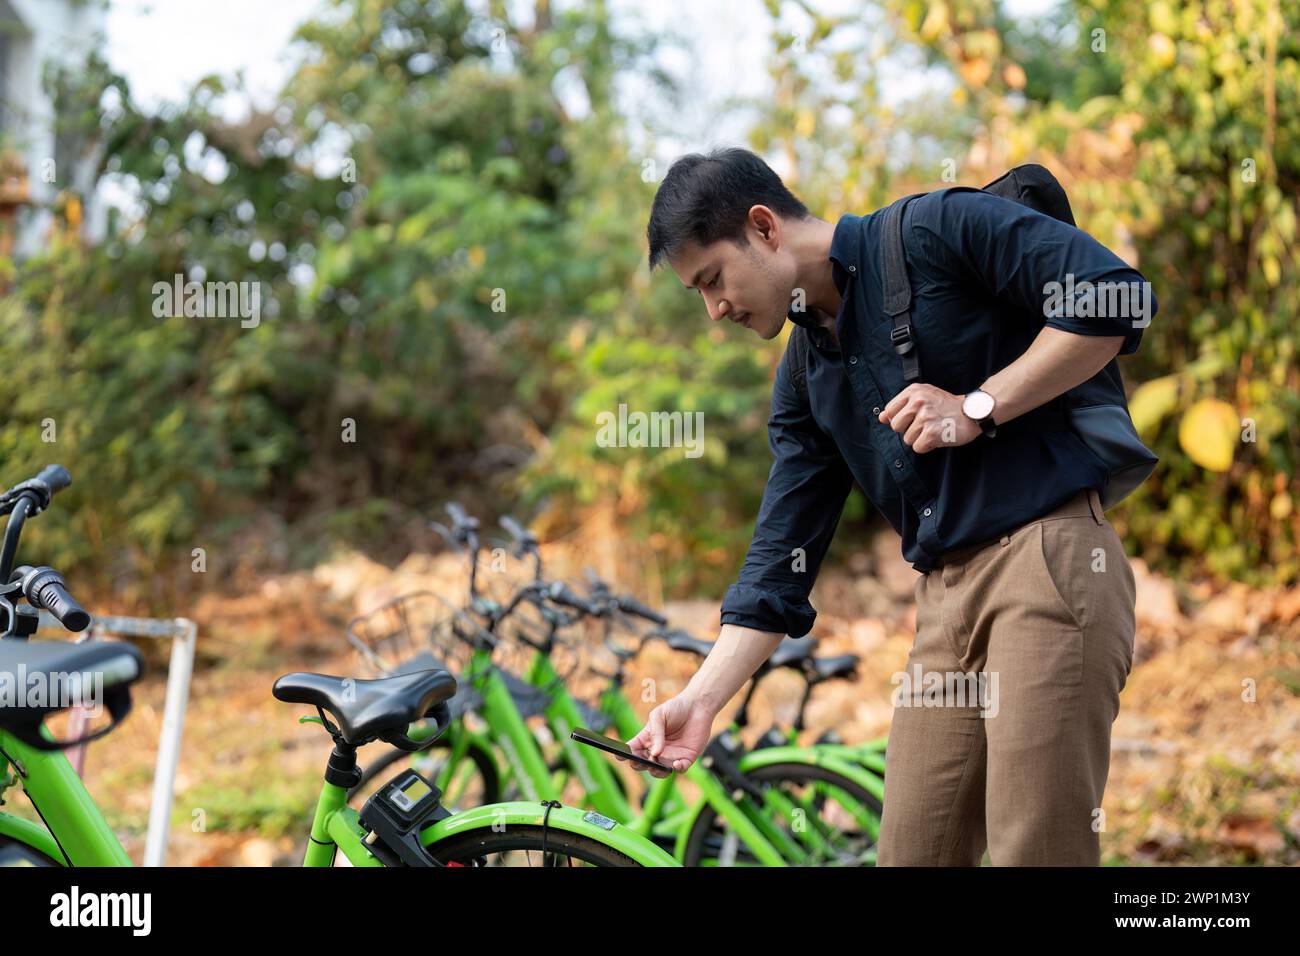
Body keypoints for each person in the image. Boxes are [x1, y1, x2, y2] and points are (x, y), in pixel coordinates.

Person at [624, 146, 1154, 866]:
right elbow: (780, 559)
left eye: (713, 279)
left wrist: (978, 405)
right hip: (942, 604)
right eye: (700, 294)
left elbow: (1115, 299)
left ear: (764, 227)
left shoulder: (935, 229)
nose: (716, 309)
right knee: (913, 852)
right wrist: (701, 700)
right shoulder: (806, 372)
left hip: (1048, 560)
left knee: (1035, 848)